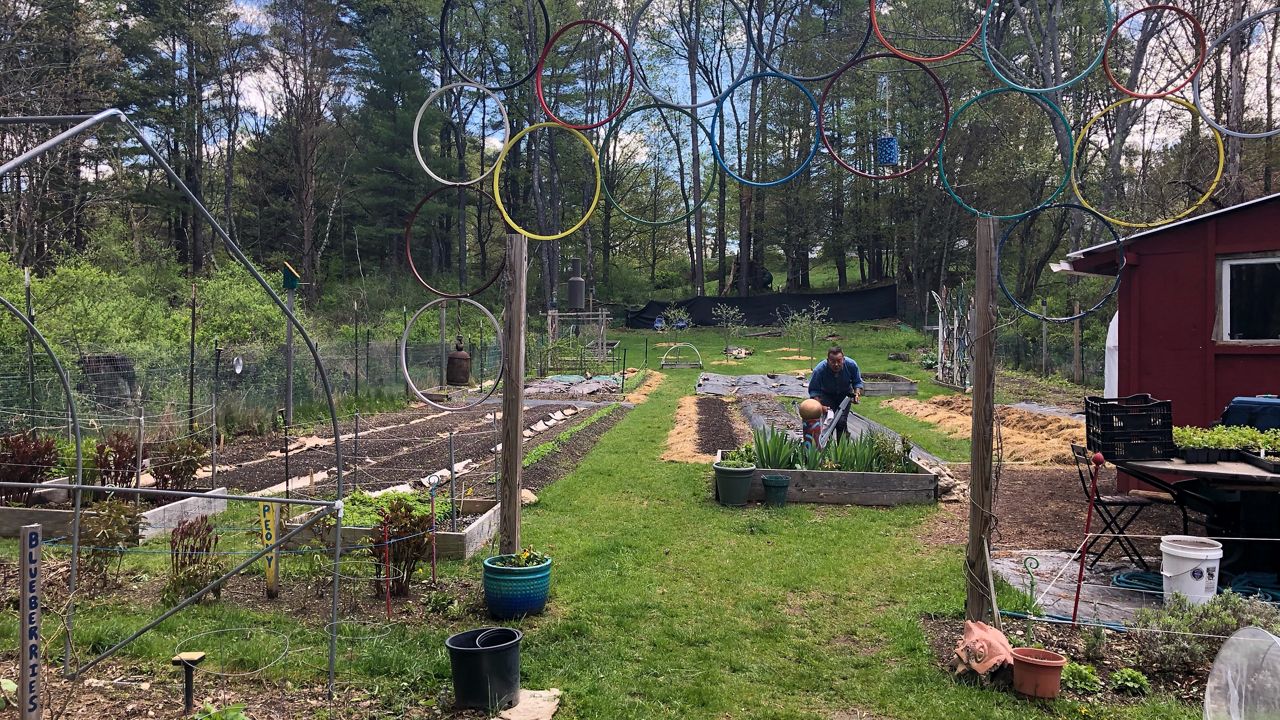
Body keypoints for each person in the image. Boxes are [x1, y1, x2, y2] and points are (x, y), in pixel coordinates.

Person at [807, 346, 864, 439]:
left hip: (845, 396)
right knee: (828, 423)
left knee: (841, 422)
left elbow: (857, 382)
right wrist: (820, 407)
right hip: (826, 395)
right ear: (828, 360)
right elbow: (814, 391)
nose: (836, 364)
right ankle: (825, 447)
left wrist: (856, 394)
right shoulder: (819, 370)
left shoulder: (851, 365)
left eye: (839, 361)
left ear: (843, 359)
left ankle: (842, 449)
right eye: (833, 361)